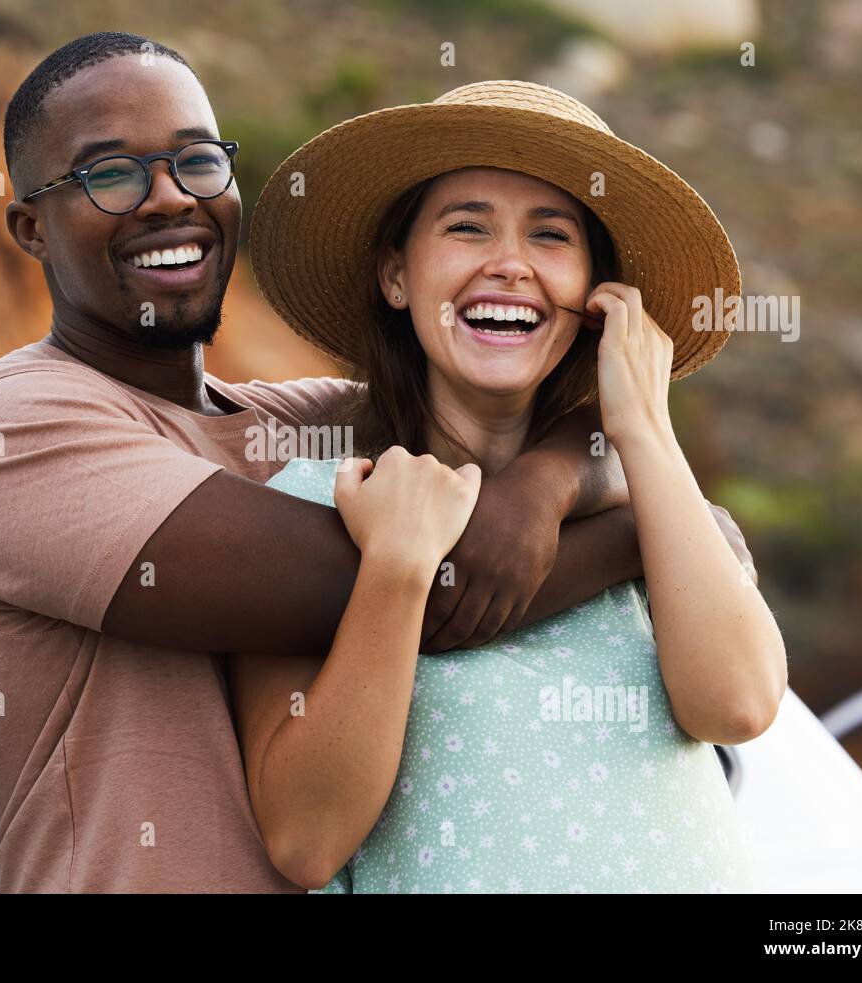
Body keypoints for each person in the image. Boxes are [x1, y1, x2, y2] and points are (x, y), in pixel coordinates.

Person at [0, 34, 757, 892]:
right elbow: (445, 581)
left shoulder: (306, 425)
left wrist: (573, 469)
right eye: (111, 174)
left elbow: (508, 415)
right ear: (31, 228)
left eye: (197, 161)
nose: (169, 198)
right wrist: (643, 540)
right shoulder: (7, 432)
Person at [230, 79, 787, 893]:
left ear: (598, 299)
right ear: (395, 276)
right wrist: (396, 566)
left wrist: (643, 428)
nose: (510, 264)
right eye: (466, 227)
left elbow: (736, 703)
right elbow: (306, 838)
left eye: (551, 236)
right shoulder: (314, 501)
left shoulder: (645, 495)